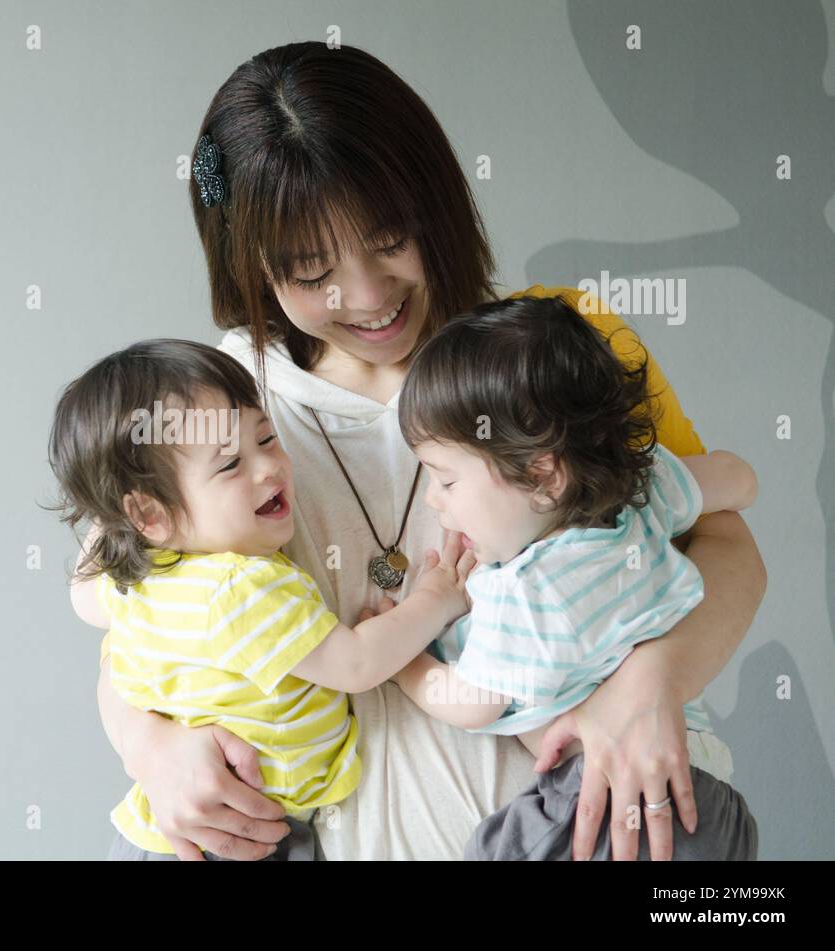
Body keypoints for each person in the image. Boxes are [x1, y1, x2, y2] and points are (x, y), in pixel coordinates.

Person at [94, 41, 767, 860]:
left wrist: (651, 681)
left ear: (436, 200)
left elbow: (728, 547)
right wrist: (148, 749)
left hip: (593, 826)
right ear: (251, 264)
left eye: (388, 238)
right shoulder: (211, 405)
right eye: (312, 272)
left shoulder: (554, 345)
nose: (369, 297)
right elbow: (131, 620)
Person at [48, 339, 476, 859]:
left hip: (194, 833)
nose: (267, 468)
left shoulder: (140, 579)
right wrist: (436, 598)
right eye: (230, 465)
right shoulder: (240, 589)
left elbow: (80, 598)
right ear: (151, 516)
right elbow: (357, 662)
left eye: (267, 439)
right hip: (230, 836)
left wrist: (122, 511)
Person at [387, 294, 759, 859]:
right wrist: (651, 468)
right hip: (712, 798)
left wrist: (405, 666)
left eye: (447, 480)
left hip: (607, 800)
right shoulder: (643, 497)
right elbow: (740, 479)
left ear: (544, 475)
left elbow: (474, 703)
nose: (436, 501)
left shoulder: (527, 592)